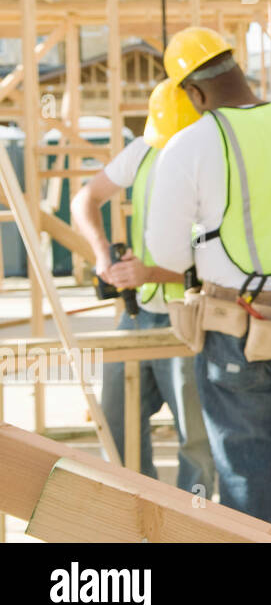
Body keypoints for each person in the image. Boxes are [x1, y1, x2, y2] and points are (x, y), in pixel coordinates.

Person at [144, 27, 271, 530]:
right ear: (237, 70)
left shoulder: (191, 143)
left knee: (243, 478)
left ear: (193, 93)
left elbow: (165, 252)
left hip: (233, 331)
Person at [70, 78, 216, 498]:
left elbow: (221, 266)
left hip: (191, 319)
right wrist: (102, 254)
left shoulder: (213, 162)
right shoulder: (145, 151)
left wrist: (149, 274)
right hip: (138, 316)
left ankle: (191, 526)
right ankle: (136, 518)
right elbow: (86, 199)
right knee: (116, 426)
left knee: (197, 444)